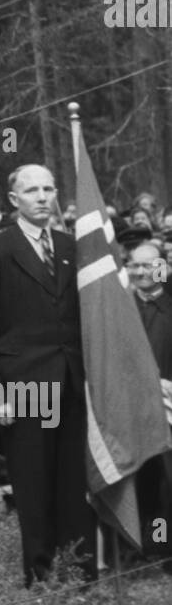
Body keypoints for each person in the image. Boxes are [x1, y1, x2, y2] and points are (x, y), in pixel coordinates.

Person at [0, 163, 97, 586]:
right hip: (24, 387)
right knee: (34, 482)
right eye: (32, 190)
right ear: (13, 199)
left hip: (74, 382)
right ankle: (39, 571)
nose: (42, 197)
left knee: (74, 481)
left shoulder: (71, 246)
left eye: (49, 189)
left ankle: (79, 566)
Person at [126, 242, 172, 567]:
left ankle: (164, 546)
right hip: (132, 412)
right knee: (142, 479)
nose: (142, 272)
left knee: (167, 483)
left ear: (164, 268)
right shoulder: (121, 312)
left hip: (170, 412)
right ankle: (145, 546)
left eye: (149, 265)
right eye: (135, 266)